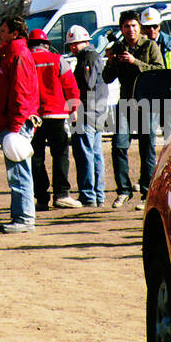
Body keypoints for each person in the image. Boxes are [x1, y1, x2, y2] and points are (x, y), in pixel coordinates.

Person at [104, 9, 165, 209]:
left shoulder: (150, 46)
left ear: (139, 28)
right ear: (121, 28)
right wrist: (111, 61)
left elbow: (159, 71)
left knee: (147, 148)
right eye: (126, 26)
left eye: (133, 26)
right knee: (119, 145)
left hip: (148, 102)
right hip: (126, 102)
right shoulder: (118, 48)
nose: (130, 30)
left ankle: (147, 192)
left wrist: (135, 61)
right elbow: (107, 78)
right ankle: (123, 190)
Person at [0, 16, 40, 233]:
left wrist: (15, 127)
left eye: (3, 30)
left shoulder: (18, 55)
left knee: (19, 171)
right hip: (11, 121)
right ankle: (20, 216)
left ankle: (25, 219)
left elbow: (22, 91)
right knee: (16, 171)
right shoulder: (10, 54)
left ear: (14, 33)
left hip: (16, 123)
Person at [29, 28, 82, 209]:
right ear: (47, 44)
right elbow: (70, 86)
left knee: (36, 157)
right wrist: (74, 108)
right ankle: (61, 194)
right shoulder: (58, 59)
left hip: (33, 117)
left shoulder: (25, 61)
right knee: (60, 155)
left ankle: (41, 199)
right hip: (57, 115)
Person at [65, 26, 107, 208]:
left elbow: (87, 85)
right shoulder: (91, 56)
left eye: (76, 43)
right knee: (95, 154)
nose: (73, 47)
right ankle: (98, 195)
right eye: (71, 44)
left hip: (87, 112)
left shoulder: (87, 58)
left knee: (85, 154)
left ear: (86, 42)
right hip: (97, 112)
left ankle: (89, 195)